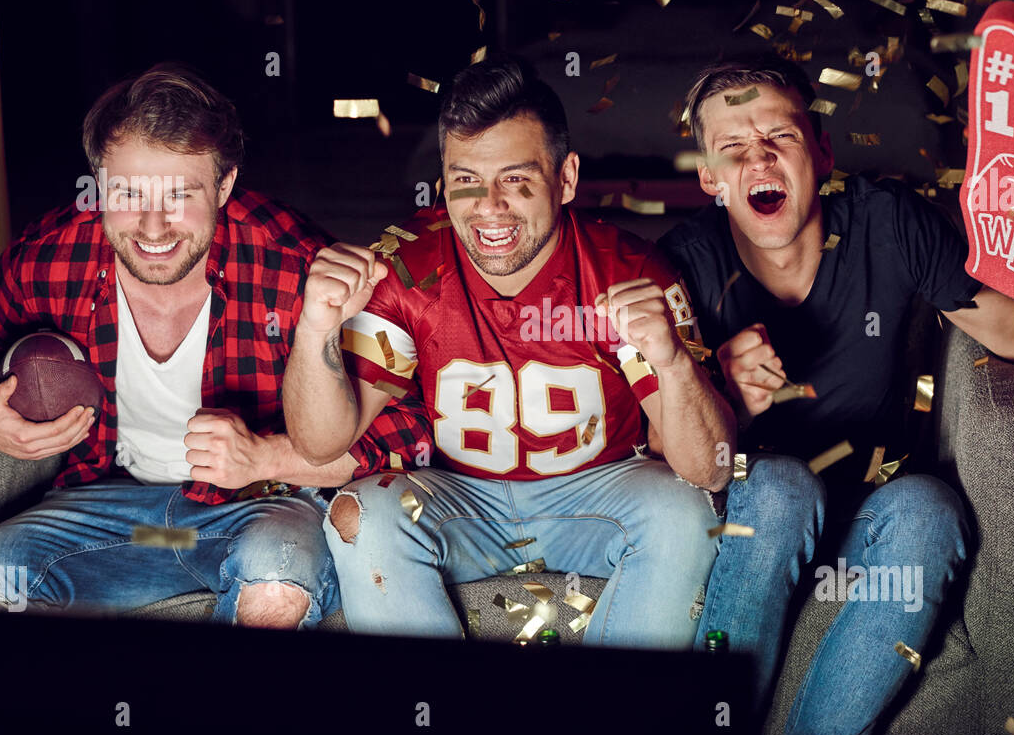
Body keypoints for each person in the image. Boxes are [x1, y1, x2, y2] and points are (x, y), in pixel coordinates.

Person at [658, 56, 1014, 735]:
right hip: (751, 520)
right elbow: (660, 452)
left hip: (871, 521)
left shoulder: (889, 221)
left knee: (929, 507)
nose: (757, 157)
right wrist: (715, 392)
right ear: (709, 176)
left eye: (780, 136)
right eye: (732, 147)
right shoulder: (683, 263)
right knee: (778, 483)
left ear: (822, 150)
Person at [0, 63, 431, 628]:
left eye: (179, 194)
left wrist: (266, 457)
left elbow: (407, 426)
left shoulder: (292, 261)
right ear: (98, 181)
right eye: (125, 192)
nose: (151, 226)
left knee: (275, 590)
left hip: (261, 508)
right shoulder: (51, 254)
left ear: (223, 185)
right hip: (112, 514)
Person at [283, 55, 735, 648]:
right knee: (358, 513)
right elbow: (319, 443)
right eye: (466, 180)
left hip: (597, 495)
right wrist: (314, 329)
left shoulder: (630, 270)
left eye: (516, 179)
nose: (488, 205)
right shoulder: (409, 266)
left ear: (566, 178)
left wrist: (673, 362)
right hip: (464, 500)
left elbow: (712, 468)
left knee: (685, 513)